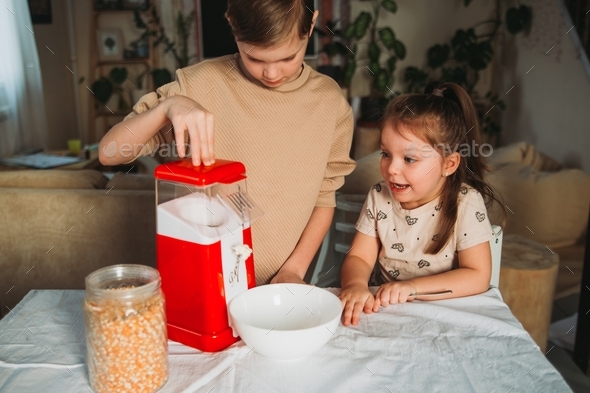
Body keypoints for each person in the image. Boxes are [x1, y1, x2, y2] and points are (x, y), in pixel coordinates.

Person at [98, 0, 355, 285]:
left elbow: (325, 195)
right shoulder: (199, 84)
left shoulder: (330, 102)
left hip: (281, 283)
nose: (272, 74)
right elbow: (109, 154)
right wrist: (165, 108)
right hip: (205, 281)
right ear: (232, 25)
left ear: (311, 25)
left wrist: (294, 269)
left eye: (288, 58)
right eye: (255, 59)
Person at [339, 82, 504, 326]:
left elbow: (477, 276)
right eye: (386, 154)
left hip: (445, 311)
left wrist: (412, 288)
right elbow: (360, 258)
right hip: (386, 311)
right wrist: (355, 285)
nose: (391, 169)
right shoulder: (378, 195)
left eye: (409, 159)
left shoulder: (466, 202)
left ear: (448, 164)